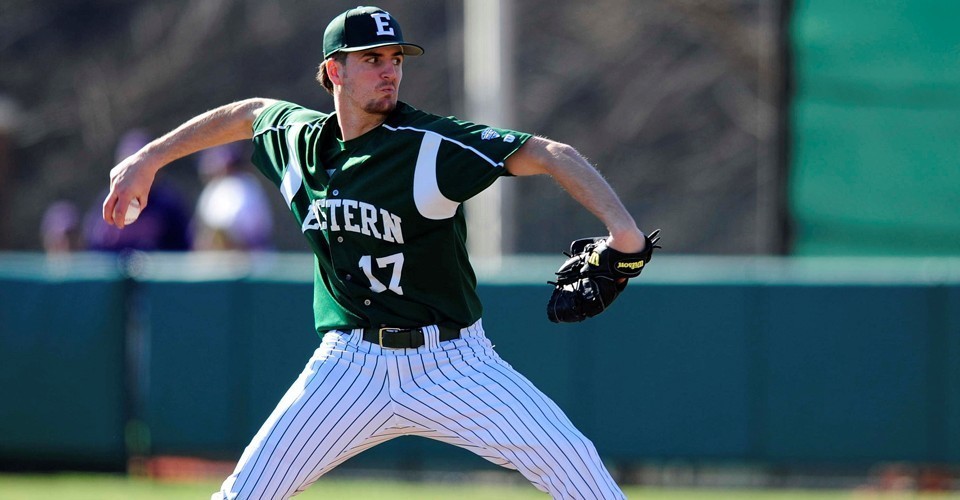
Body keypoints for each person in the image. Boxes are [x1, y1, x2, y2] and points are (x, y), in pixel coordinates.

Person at [103, 6, 649, 499]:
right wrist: (148, 160)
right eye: (372, 58)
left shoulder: (430, 146)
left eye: (395, 58)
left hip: (454, 362)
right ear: (335, 71)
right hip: (348, 366)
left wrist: (624, 235)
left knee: (579, 472)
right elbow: (250, 112)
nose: (390, 69)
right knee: (244, 494)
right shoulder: (300, 141)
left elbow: (552, 154)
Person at [193, 143, 273, 250]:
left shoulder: (242, 186)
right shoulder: (214, 188)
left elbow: (231, 234)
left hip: (249, 259)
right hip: (220, 260)